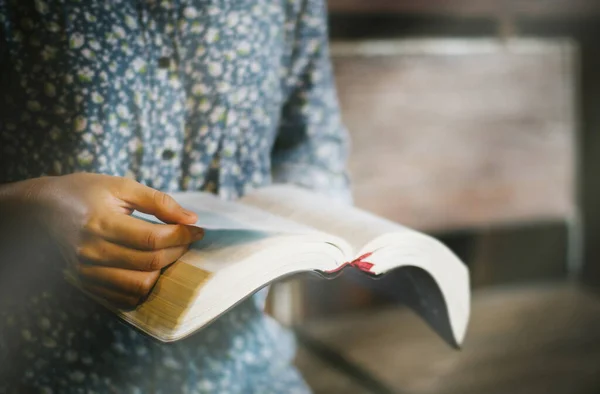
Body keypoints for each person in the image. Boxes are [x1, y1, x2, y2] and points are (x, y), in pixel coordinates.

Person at [0, 0, 350, 392]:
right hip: (50, 371)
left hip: (246, 367)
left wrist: (301, 239)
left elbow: (311, 144)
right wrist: (33, 205)